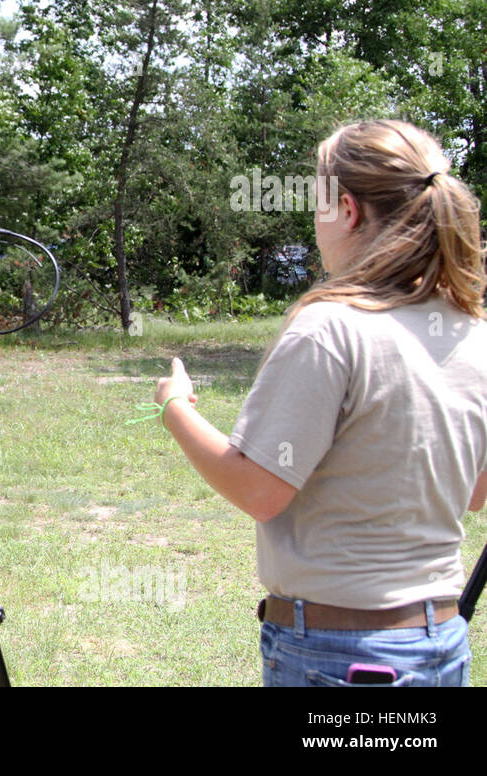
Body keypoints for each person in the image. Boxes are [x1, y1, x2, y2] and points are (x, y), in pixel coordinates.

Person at [155, 119, 487, 686]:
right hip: (440, 644)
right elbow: (476, 493)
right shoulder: (472, 328)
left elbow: (259, 489)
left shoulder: (331, 327)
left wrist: (176, 408)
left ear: (350, 211)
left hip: (341, 656)